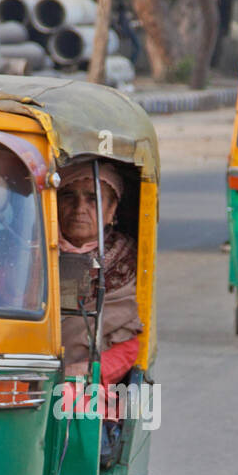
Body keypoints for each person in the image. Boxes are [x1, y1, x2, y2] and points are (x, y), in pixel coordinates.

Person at [58, 160, 142, 387]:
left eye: (92, 199)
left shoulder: (127, 262)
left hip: (88, 384)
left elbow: (129, 345)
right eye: (68, 196)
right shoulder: (29, 249)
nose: (79, 209)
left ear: (111, 210)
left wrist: (88, 371)